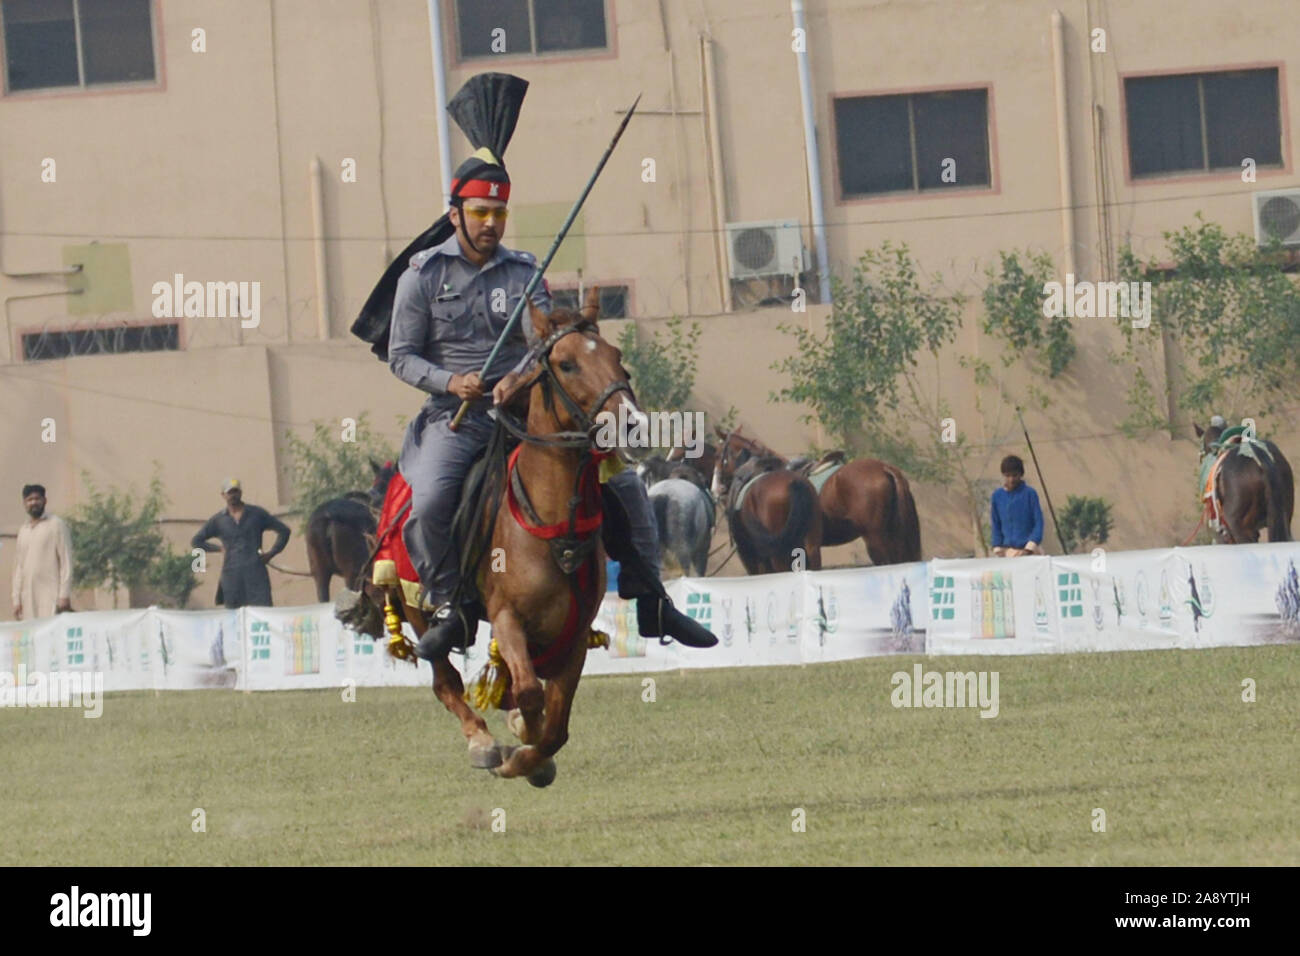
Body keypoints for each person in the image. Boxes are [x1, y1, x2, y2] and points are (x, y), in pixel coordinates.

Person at [387, 146, 716, 661]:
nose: (491, 223)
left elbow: (546, 342)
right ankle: (450, 603)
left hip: (525, 411)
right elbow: (401, 356)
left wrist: (517, 377)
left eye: (498, 214)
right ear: (456, 215)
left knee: (623, 481)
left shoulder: (522, 272)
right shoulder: (422, 277)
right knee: (429, 500)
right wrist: (452, 382)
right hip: (457, 418)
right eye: (480, 213)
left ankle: (650, 598)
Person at [191, 479, 291, 608]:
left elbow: (284, 531)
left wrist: (271, 553)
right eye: (230, 492)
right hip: (232, 576)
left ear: (241, 492)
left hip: (256, 574)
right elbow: (196, 541)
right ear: (223, 495)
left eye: (235, 491)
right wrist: (219, 548)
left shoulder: (256, 514)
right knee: (234, 617)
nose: (233, 495)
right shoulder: (219, 520)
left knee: (262, 614)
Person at [11, 484, 74, 620]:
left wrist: (64, 594)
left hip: (51, 595)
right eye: (29, 500)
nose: (33, 502)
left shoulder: (56, 524)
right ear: (24, 503)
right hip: (27, 598)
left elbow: (66, 561)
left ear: (44, 501)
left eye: (37, 499)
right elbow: (18, 568)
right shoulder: (23, 530)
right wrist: (16, 599)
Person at [990, 455, 1044, 557]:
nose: (1011, 479)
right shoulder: (997, 496)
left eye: (1014, 475)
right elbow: (996, 524)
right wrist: (997, 548)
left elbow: (1038, 523)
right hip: (1007, 552)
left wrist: (1029, 549)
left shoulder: (1029, 493)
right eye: (1007, 476)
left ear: (1021, 474)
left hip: (1030, 551)